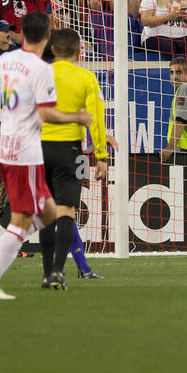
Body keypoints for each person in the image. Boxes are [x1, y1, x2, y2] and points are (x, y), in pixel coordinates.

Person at [0, 10, 89, 299]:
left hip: (8, 148)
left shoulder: (6, 60)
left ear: (21, 33)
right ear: (48, 36)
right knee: (23, 220)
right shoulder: (41, 69)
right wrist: (78, 117)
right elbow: (46, 113)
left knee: (49, 215)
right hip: (25, 152)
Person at [37, 27, 106, 284]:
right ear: (79, 52)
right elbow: (95, 119)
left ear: (52, 49)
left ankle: (46, 273)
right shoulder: (86, 78)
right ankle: (57, 271)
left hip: (39, 148)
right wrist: (101, 155)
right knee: (66, 212)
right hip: (70, 151)